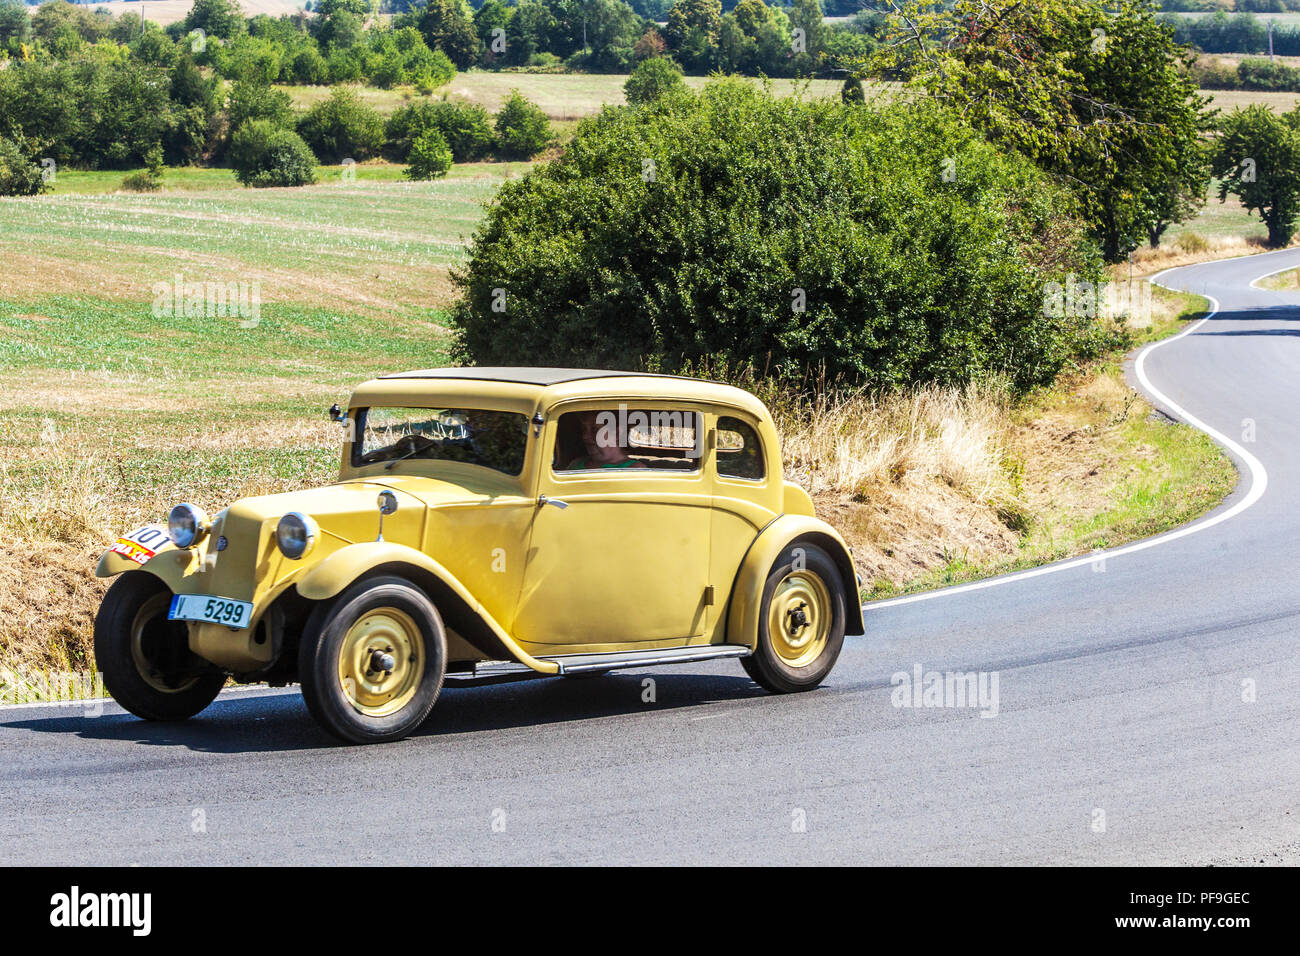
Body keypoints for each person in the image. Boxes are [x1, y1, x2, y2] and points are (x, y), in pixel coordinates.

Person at [564, 410, 648, 470]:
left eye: (595, 429)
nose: (585, 436)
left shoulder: (635, 470)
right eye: (584, 429)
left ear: (617, 433)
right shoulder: (575, 464)